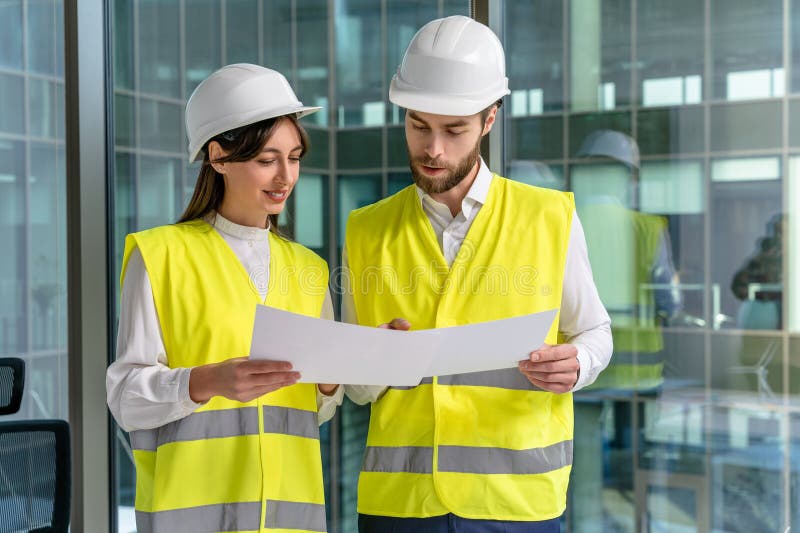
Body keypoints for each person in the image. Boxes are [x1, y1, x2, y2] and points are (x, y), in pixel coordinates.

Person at [342, 16, 613, 532]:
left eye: (454, 129)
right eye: (419, 125)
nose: (433, 149)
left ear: (489, 120)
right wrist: (375, 359)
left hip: (515, 505)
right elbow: (356, 390)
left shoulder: (549, 217)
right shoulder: (366, 228)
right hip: (400, 505)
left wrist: (577, 364)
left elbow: (595, 331)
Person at [106, 63, 342, 533]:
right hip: (191, 519)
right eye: (266, 159)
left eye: (294, 157)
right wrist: (207, 382)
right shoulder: (160, 256)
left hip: (291, 523)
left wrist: (333, 380)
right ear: (217, 156)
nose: (285, 176)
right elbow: (126, 398)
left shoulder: (310, 270)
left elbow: (312, 413)